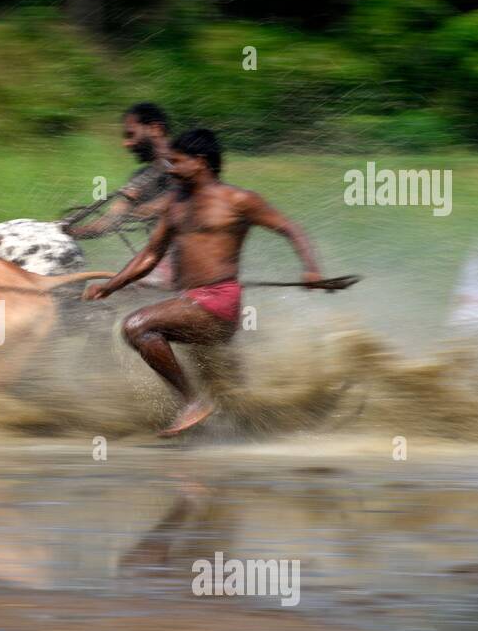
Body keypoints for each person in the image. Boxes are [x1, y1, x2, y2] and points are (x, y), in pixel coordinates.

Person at [83, 129, 322, 436]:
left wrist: (311, 270)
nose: (169, 169)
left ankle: (193, 403)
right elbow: (151, 254)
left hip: (219, 300)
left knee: (136, 326)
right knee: (216, 381)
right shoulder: (175, 205)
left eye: (176, 162)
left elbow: (290, 228)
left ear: (200, 161)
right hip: (190, 301)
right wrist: (111, 286)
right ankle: (238, 428)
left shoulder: (239, 199)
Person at [65, 102, 179, 287]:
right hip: (163, 267)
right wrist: (66, 231)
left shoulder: (189, 165)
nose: (126, 143)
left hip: (197, 268)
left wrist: (131, 212)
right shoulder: (142, 177)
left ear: (155, 129)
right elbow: (107, 223)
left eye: (131, 134)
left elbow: (175, 203)